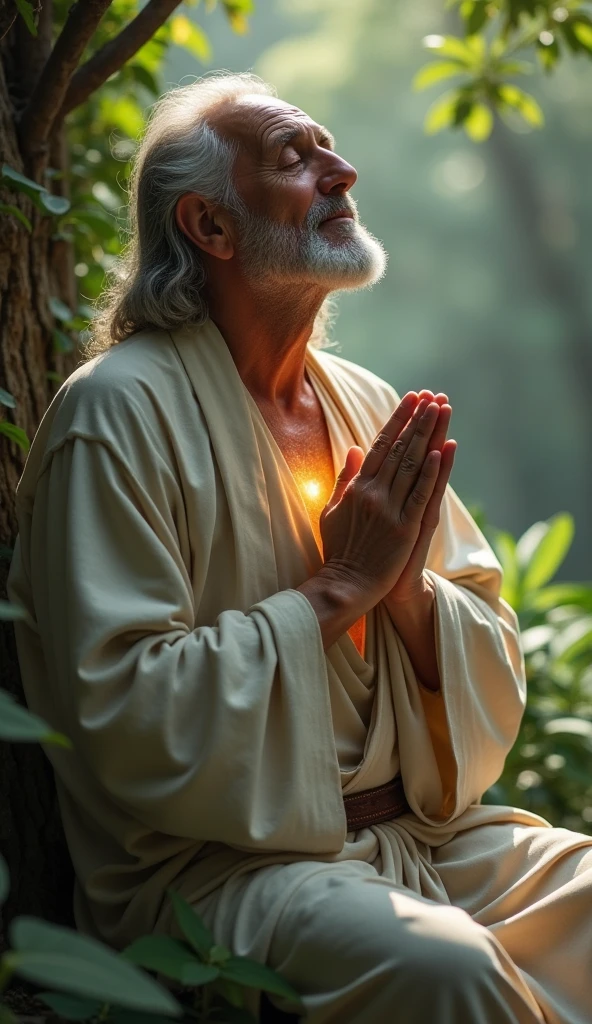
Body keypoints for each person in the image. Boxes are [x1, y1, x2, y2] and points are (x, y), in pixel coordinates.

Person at [8, 72, 592, 1024]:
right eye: (296, 156)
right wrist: (341, 589)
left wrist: (405, 593)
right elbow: (126, 710)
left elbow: (483, 639)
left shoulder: (362, 399)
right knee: (446, 971)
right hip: (221, 875)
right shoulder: (117, 414)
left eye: (331, 148)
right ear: (210, 225)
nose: (343, 171)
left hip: (422, 841)